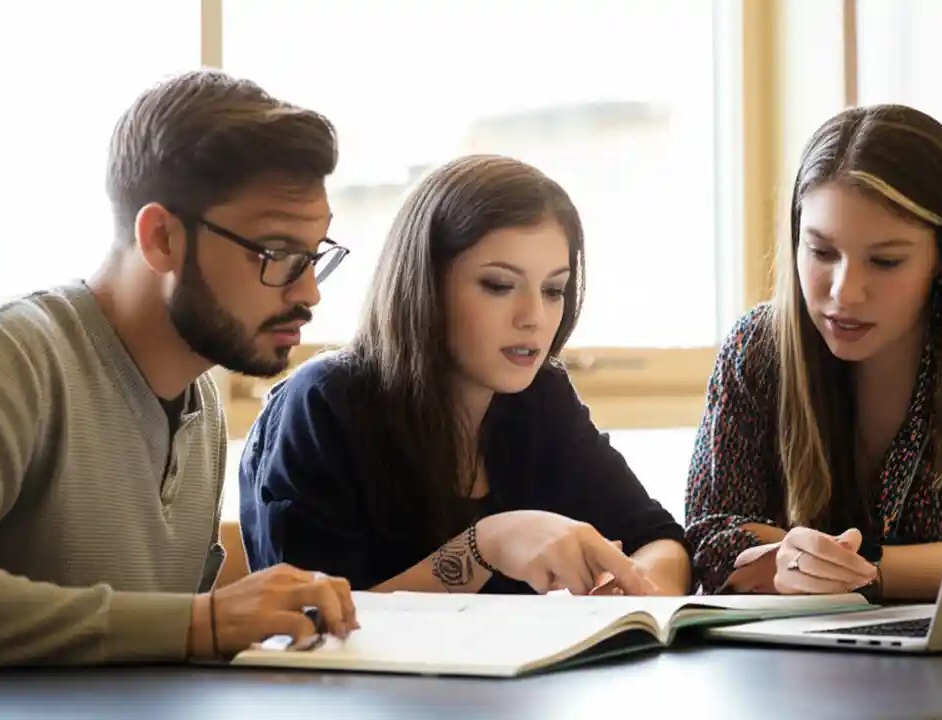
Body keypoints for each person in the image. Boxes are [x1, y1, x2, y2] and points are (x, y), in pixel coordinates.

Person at [0, 69, 358, 668]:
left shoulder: (199, 403)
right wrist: (200, 622)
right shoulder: (5, 357)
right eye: (278, 254)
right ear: (161, 239)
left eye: (314, 257)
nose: (309, 292)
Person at [239, 154, 691, 597]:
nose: (533, 317)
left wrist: (639, 591)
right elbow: (315, 618)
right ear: (425, 285)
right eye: (498, 285)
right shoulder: (324, 403)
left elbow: (659, 538)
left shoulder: (541, 397)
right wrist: (486, 546)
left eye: (554, 290)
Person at [685, 104, 942, 601]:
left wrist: (856, 570)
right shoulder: (756, 348)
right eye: (821, 252)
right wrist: (788, 562)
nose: (845, 293)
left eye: (885, 261)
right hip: (797, 671)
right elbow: (709, 539)